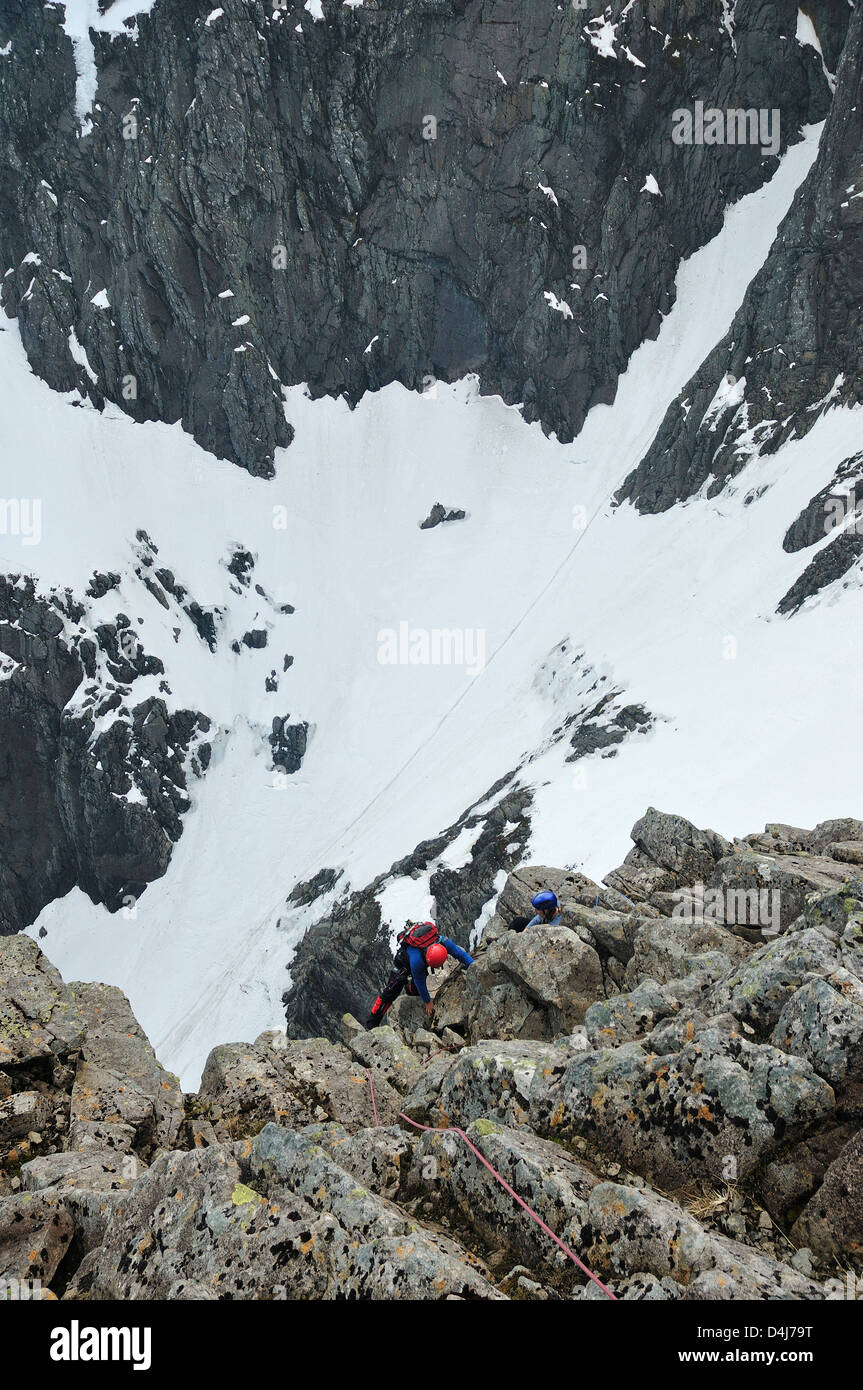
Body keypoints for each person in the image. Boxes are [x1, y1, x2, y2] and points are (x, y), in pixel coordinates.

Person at [365, 920, 474, 1028]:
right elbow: (419, 981)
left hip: (418, 960)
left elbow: (461, 955)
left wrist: (474, 966)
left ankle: (410, 989)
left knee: (415, 989)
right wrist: (427, 1001)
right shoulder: (417, 961)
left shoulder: (443, 942)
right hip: (402, 964)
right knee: (389, 993)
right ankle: (372, 1024)